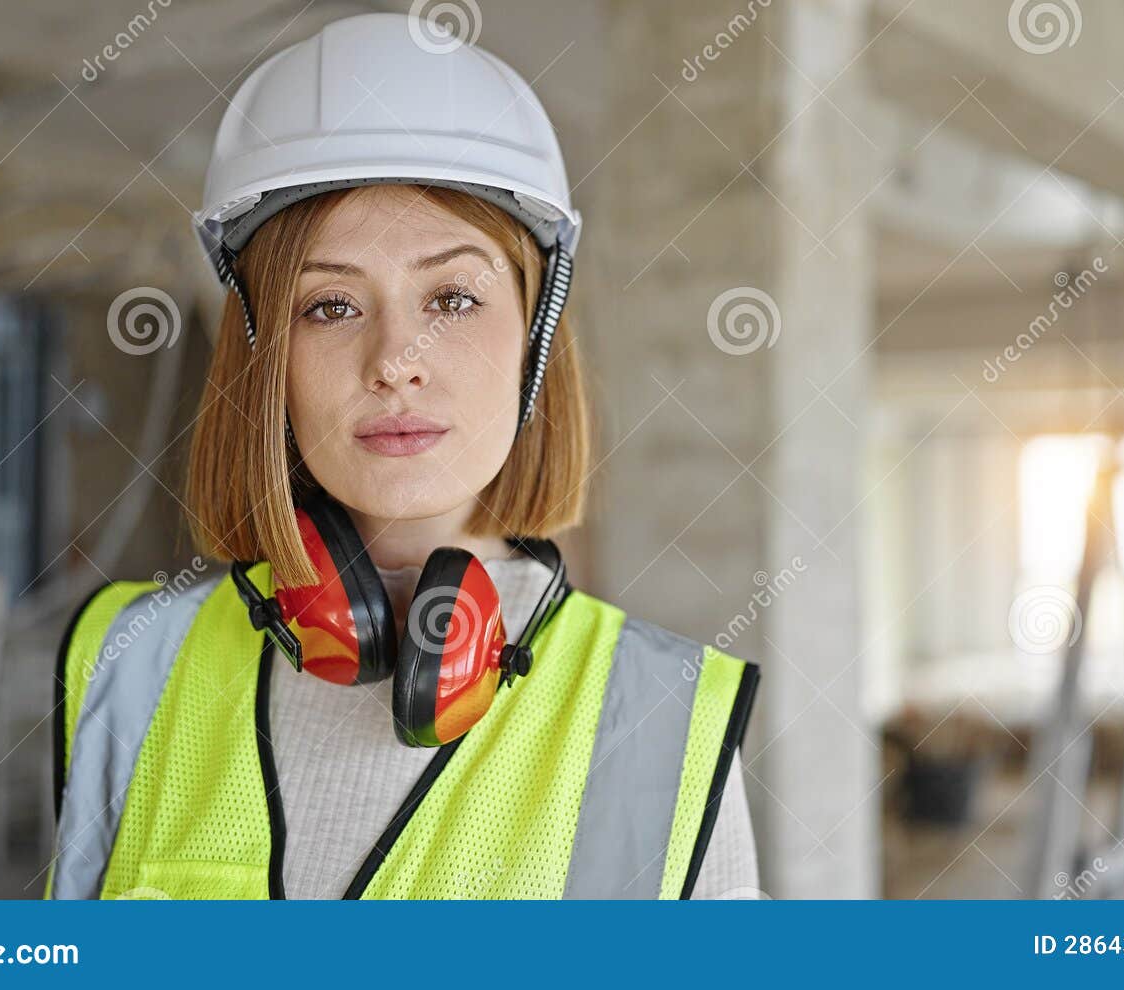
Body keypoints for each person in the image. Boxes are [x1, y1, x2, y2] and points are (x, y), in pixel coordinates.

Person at [46, 11, 761, 900]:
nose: (394, 362)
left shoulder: (662, 724)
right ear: (265, 361)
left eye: (454, 297)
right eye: (331, 306)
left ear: (537, 341)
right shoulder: (131, 664)